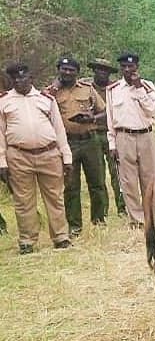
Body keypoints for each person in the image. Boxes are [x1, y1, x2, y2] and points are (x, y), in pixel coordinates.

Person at [0, 63, 73, 253]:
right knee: (23, 201)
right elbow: (0, 135)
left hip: (49, 154)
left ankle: (61, 237)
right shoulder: (4, 101)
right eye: (15, 78)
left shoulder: (46, 99)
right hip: (18, 156)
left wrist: (66, 157)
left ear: (31, 78)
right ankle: (27, 241)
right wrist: (2, 162)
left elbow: (59, 130)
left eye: (23, 77)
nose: (19, 81)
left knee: (55, 197)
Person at [45, 57, 108, 236]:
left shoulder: (88, 89)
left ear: (77, 73)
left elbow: (104, 111)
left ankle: (99, 220)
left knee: (97, 183)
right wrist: (54, 88)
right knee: (71, 186)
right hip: (67, 143)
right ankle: (74, 226)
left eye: (71, 70)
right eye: (64, 69)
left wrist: (93, 119)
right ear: (59, 70)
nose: (67, 73)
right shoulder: (52, 93)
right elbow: (42, 108)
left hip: (90, 140)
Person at [106, 52, 155, 228]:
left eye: (131, 66)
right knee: (128, 181)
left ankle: (150, 217)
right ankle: (136, 220)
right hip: (123, 137)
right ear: (121, 69)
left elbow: (153, 111)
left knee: (150, 178)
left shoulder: (147, 86)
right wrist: (112, 144)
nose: (128, 70)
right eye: (124, 67)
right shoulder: (113, 90)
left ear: (137, 67)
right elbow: (110, 119)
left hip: (146, 135)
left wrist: (139, 89)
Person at [88, 59, 125, 216]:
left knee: (118, 173)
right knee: (98, 175)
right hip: (94, 134)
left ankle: (123, 207)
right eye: (99, 70)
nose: (102, 73)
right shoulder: (87, 87)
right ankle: (101, 211)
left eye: (105, 71)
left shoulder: (116, 88)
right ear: (94, 71)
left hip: (112, 133)